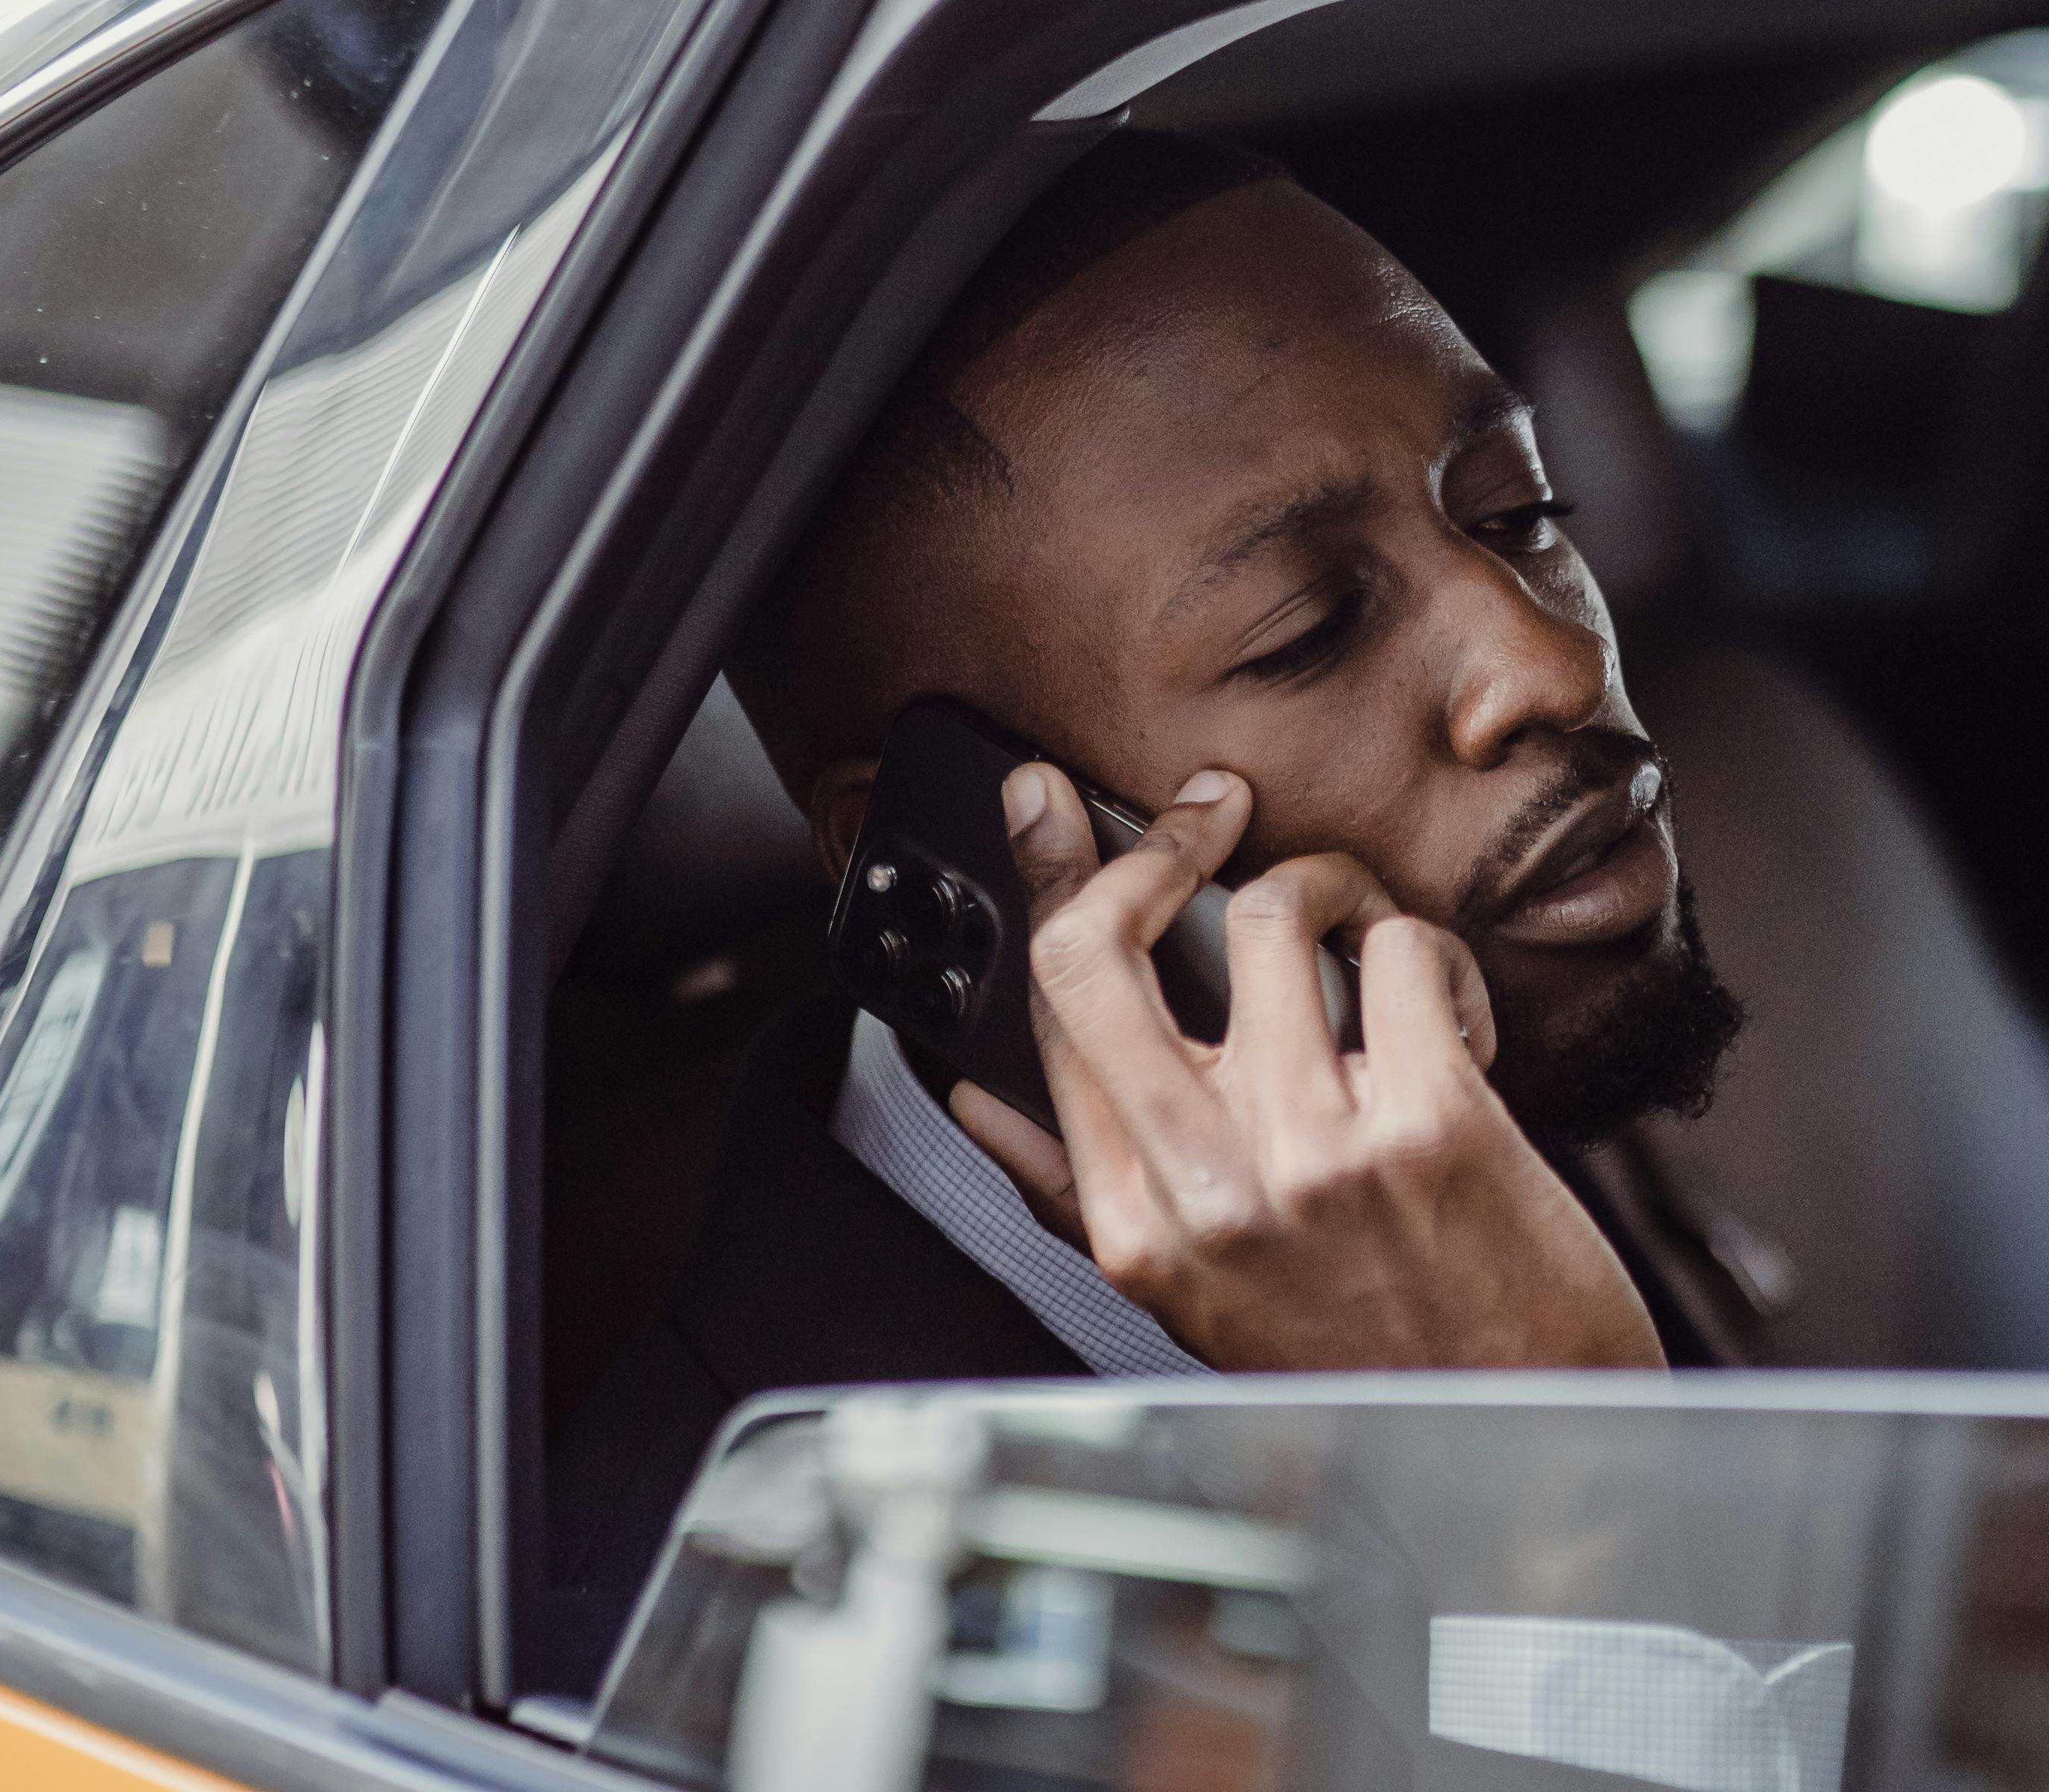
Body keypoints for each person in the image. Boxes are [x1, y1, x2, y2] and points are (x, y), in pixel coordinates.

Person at [546, 133, 1745, 1677]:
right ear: (956, 847)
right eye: (1307, 632)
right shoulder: (754, 1624)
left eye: (1515, 512)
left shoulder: (1440, 1122)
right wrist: (1556, 1505)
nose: (1550, 664)